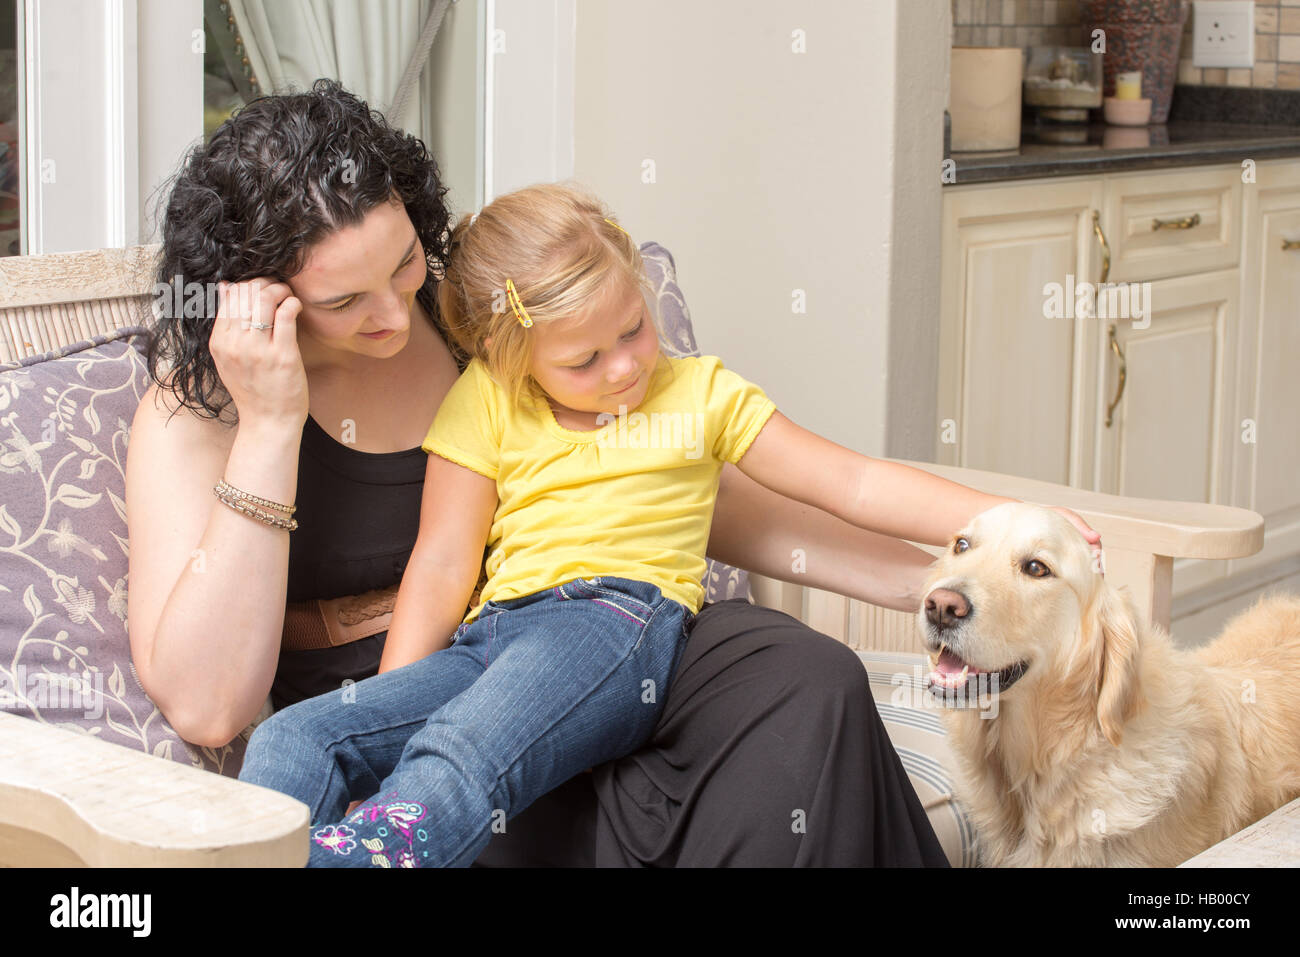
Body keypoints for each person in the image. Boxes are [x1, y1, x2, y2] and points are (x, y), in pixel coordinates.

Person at [127, 78, 1100, 867]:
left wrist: (932, 582)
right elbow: (210, 705)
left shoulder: (484, 332)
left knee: (804, 674)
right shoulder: (197, 410)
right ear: (259, 297)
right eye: (347, 300)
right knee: (482, 779)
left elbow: (697, 491)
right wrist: (270, 422)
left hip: (592, 625)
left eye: (405, 264)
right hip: (425, 676)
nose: (393, 314)